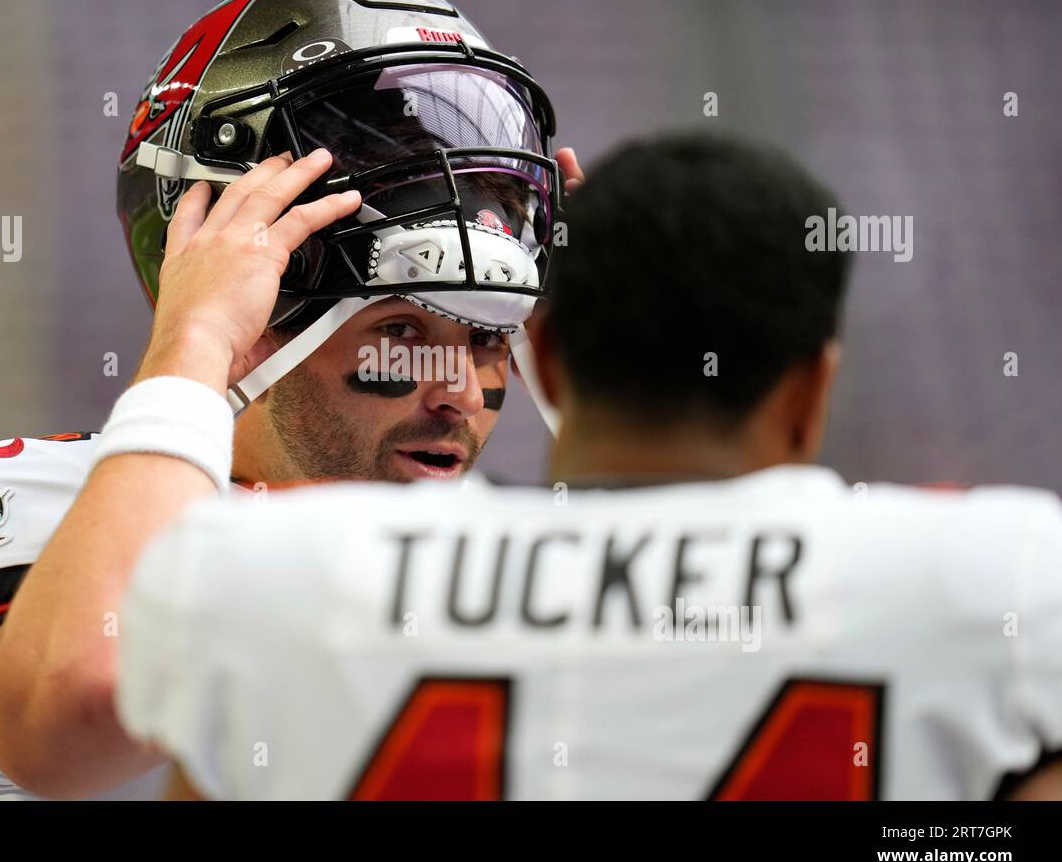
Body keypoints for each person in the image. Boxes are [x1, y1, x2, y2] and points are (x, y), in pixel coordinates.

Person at [116, 131, 1062, 800]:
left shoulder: (271, 566)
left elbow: (74, 719)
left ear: (545, 353)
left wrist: (188, 349)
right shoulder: (1000, 576)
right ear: (813, 388)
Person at [0, 0, 584, 800]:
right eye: (402, 332)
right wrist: (196, 337)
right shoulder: (28, 494)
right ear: (258, 311)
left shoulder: (497, 543)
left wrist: (616, 388)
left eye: (492, 338)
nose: (459, 391)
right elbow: (71, 720)